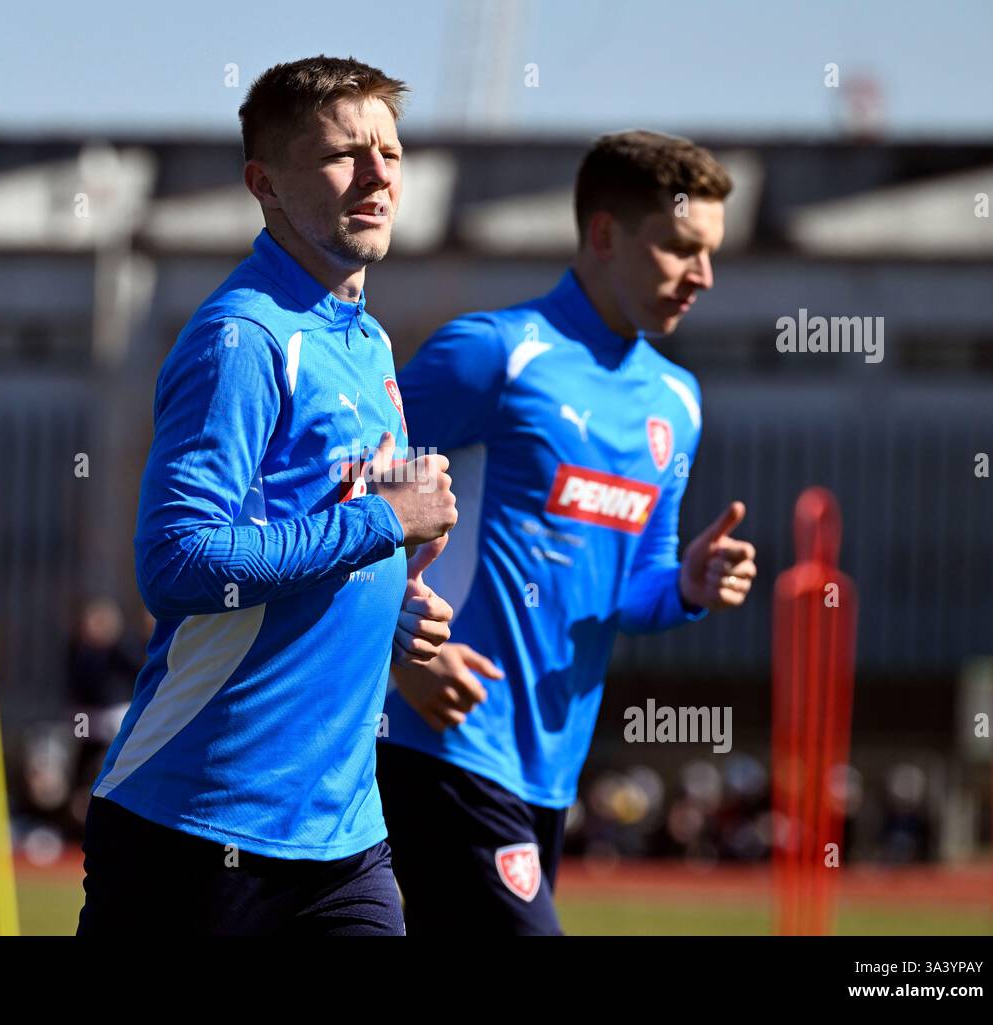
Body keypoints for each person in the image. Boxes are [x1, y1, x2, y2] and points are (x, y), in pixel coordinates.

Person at [77, 55, 457, 937]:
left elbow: (316, 546)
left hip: (345, 838)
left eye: (391, 154)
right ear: (266, 184)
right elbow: (177, 561)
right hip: (195, 832)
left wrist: (392, 607)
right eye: (343, 157)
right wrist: (382, 521)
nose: (378, 177)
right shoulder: (243, 339)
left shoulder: (368, 344)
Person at [377, 130, 758, 934]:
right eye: (680, 248)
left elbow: (636, 584)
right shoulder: (492, 355)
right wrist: (397, 646)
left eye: (711, 253)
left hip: (549, 769)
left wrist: (684, 586)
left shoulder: (677, 401)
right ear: (605, 233)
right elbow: (341, 494)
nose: (704, 276)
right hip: (439, 744)